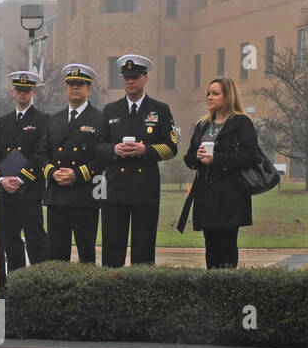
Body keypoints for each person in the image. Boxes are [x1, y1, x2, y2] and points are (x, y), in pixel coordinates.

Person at [96, 54, 179, 266]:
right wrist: (115, 149)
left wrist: (145, 149)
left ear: (145, 78)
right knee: (112, 250)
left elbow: (171, 147)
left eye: (134, 76)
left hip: (145, 188)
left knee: (143, 249)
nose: (130, 81)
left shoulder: (160, 109)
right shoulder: (110, 110)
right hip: (115, 188)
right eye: (126, 77)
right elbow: (98, 147)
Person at [178, 77, 261, 269]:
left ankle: (227, 291)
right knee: (211, 247)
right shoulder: (202, 125)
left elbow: (251, 156)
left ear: (228, 96)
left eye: (215, 93)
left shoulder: (241, 123)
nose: (209, 97)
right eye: (208, 93)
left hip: (230, 195)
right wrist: (197, 157)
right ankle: (212, 290)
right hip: (206, 196)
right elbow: (189, 158)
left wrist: (217, 159)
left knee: (227, 246)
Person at [40, 63, 103, 263]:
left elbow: (102, 158)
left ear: (89, 88)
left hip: (85, 196)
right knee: (56, 254)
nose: (75, 88)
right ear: (66, 88)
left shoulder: (99, 119)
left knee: (86, 254)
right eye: (71, 84)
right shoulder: (54, 120)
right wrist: (52, 173)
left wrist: (77, 174)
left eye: (80, 84)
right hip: (57, 196)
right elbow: (42, 154)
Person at [0, 70, 49, 276]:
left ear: (33, 93)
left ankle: (38, 282)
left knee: (35, 240)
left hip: (29, 191)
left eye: (26, 91)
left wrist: (21, 178)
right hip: (6, 192)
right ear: (12, 93)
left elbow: (40, 153)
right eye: (19, 91)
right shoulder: (4, 121)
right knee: (11, 241)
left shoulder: (42, 120)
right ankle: (16, 281)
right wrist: (1, 178)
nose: (22, 95)